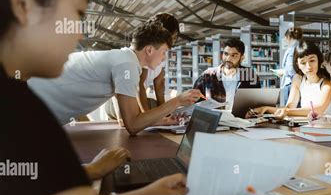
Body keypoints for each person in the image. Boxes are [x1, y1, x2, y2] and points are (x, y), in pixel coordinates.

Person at [0, 0, 306, 195]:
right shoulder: (17, 117)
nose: (77, 32)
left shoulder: (17, 103)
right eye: (78, 12)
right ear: (23, 1)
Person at [28, 16, 203, 135]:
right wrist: (177, 101)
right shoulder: (127, 65)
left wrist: (164, 121)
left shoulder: (124, 59)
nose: (164, 58)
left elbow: (124, 120)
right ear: (149, 49)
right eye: (164, 52)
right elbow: (132, 126)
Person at [249, 40, 331, 120]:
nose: (308, 66)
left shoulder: (328, 82)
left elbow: (319, 109)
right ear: (297, 64)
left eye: (312, 60)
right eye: (303, 62)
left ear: (319, 60)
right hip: (308, 128)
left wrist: (287, 111)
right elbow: (289, 108)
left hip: (327, 130)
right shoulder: (298, 79)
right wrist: (265, 108)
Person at [193, 38, 260, 110]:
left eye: (233, 55)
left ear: (242, 58)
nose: (228, 58)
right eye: (226, 54)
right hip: (214, 119)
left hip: (241, 120)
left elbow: (257, 101)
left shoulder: (250, 76)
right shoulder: (208, 75)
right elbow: (194, 100)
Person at [279, 27, 303, 105]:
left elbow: (290, 69)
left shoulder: (292, 49)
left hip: (291, 84)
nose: (285, 40)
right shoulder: (301, 47)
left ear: (288, 37)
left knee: (290, 109)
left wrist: (282, 72)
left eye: (285, 38)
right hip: (299, 81)